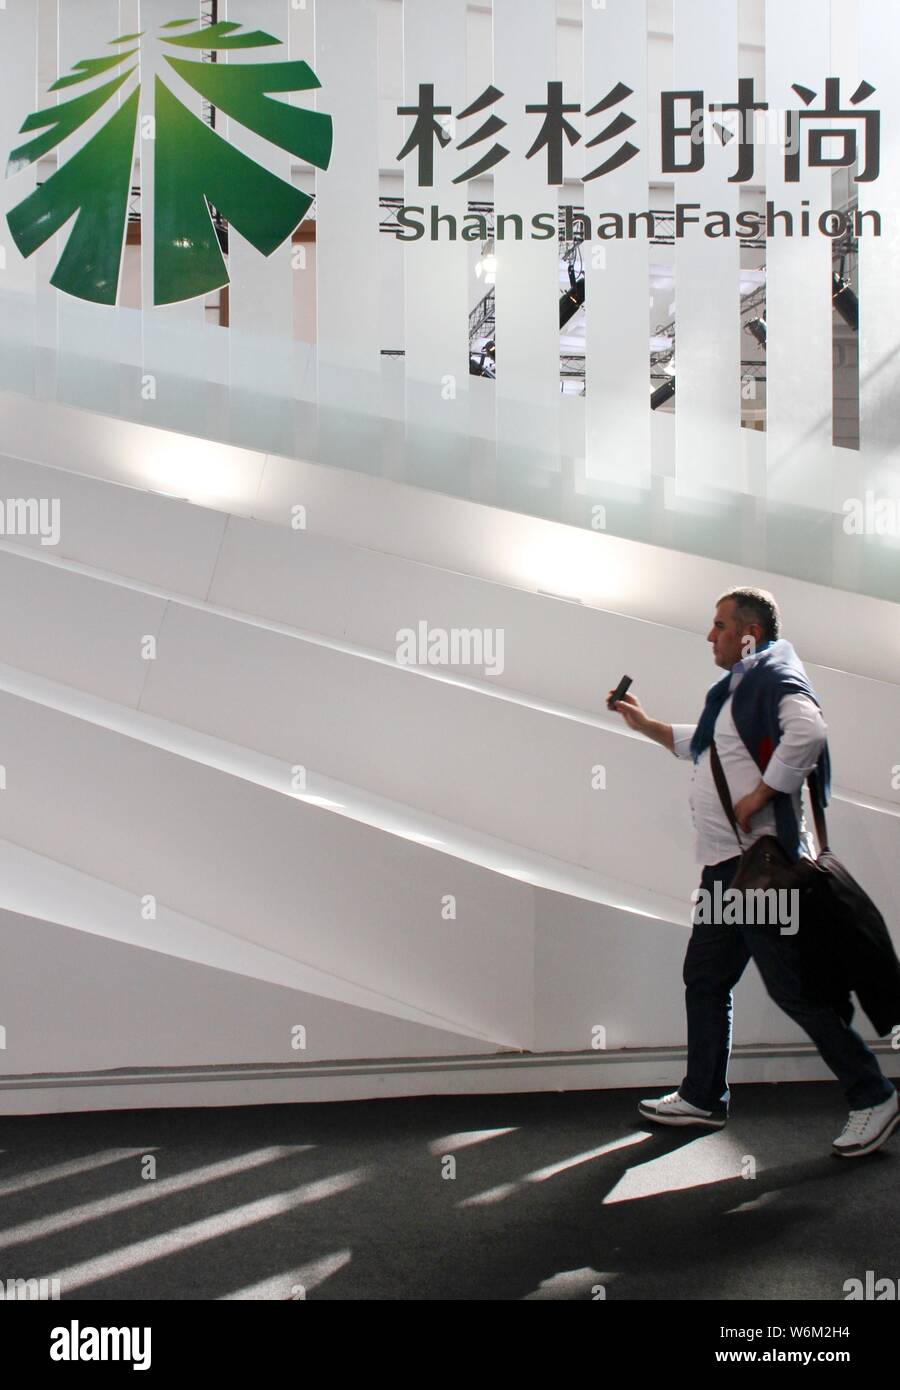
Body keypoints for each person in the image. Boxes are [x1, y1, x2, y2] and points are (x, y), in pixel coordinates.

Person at [609, 586, 898, 1158]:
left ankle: (873, 1095)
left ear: (749, 634)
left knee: (794, 989)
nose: (710, 635)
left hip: (759, 874)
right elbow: (707, 746)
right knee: (707, 978)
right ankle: (703, 1096)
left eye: (719, 625)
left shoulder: (773, 680)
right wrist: (643, 724)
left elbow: (809, 732)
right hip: (726, 873)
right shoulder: (736, 692)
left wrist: (766, 790)